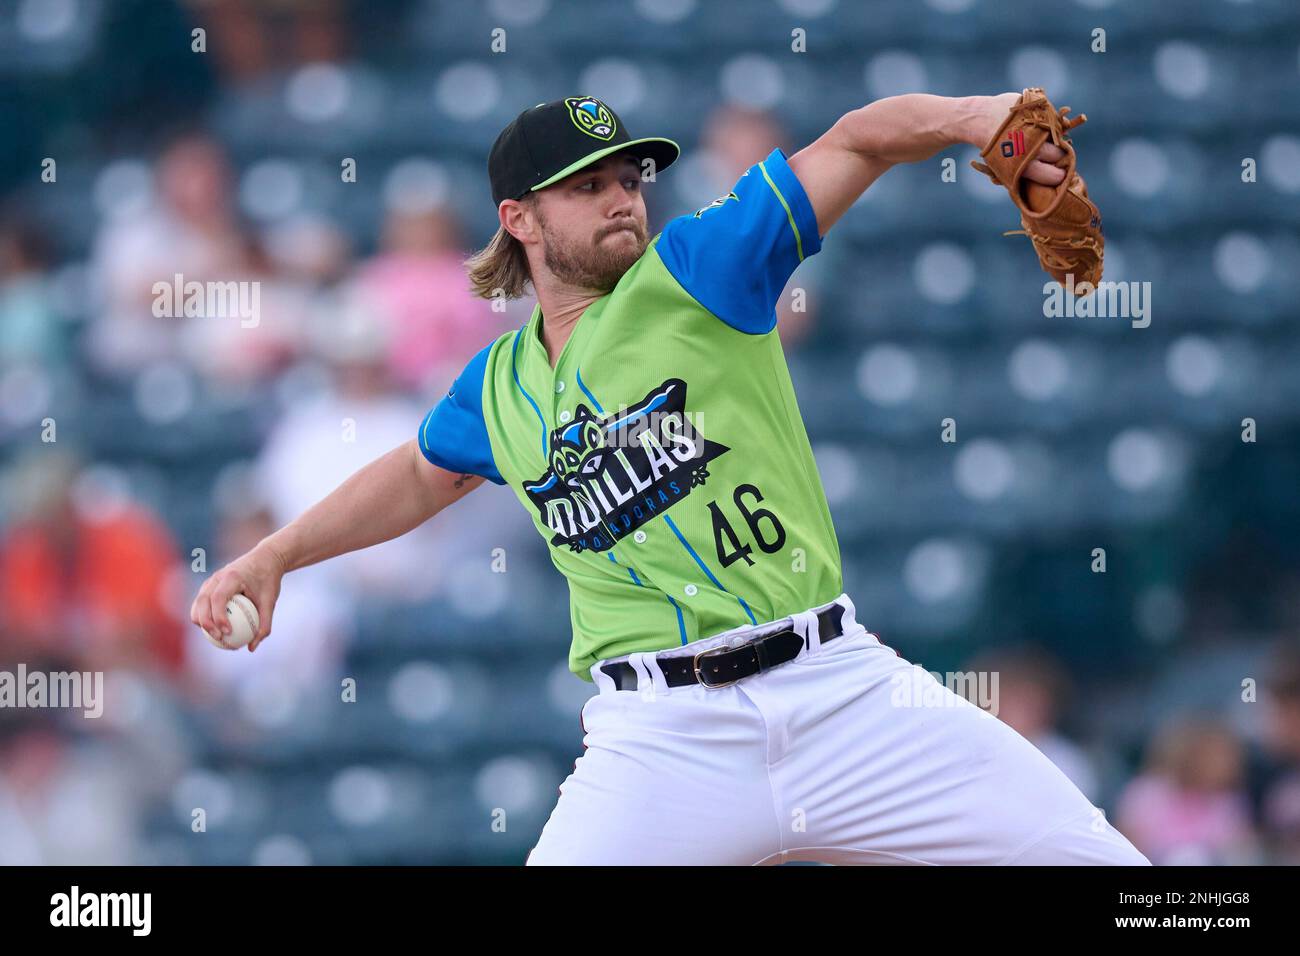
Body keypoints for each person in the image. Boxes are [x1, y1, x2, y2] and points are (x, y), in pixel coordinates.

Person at [191, 94, 1150, 865]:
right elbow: (415, 474)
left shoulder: (698, 272)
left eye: (628, 178)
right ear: (518, 218)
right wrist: (276, 556)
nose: (622, 198)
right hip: (661, 738)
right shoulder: (498, 389)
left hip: (840, 691)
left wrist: (980, 118)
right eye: (587, 185)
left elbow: (857, 140)